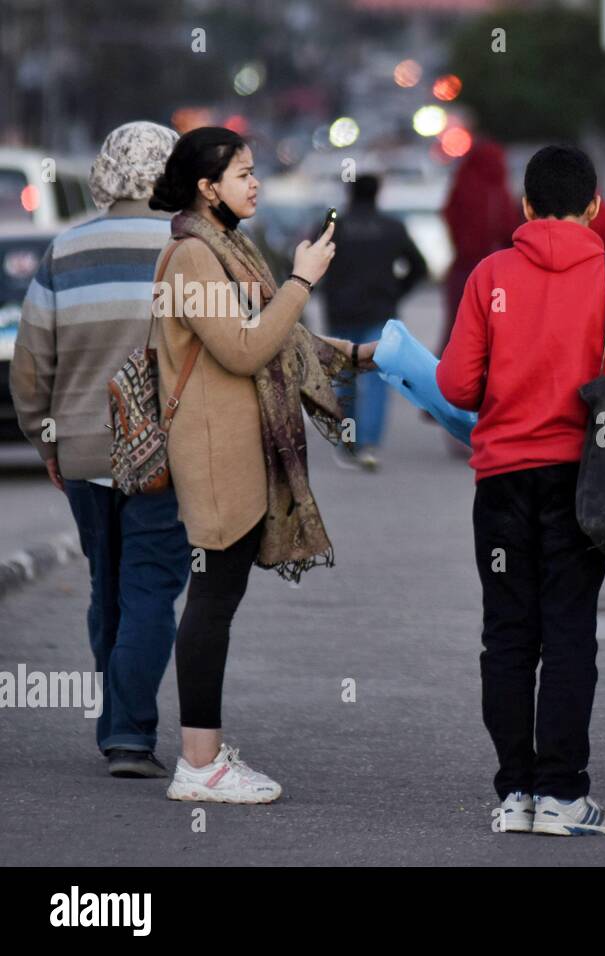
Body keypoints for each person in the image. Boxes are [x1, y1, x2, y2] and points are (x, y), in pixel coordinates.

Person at [437, 145, 605, 837]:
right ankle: (564, 795)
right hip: (581, 486)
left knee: (507, 634)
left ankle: (515, 796)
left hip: (502, 482)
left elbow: (454, 386)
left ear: (526, 206)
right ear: (595, 205)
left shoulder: (489, 275)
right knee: (569, 632)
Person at [147, 127, 379, 804]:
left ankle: (205, 754)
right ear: (205, 186)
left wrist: (357, 356)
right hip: (216, 450)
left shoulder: (231, 246)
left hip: (240, 443)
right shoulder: (193, 255)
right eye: (242, 174)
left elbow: (279, 330)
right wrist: (305, 279)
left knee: (219, 598)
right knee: (212, 600)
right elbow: (246, 349)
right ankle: (199, 764)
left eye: (254, 171)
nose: (254, 183)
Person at [8, 121, 191, 779]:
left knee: (105, 585)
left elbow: (31, 366)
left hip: (84, 452)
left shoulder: (65, 251)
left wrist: (45, 439)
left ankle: (118, 725)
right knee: (150, 588)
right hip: (167, 453)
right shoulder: (194, 249)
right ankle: (128, 735)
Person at [320, 173, 428, 471]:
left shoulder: (335, 228)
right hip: (380, 312)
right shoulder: (392, 227)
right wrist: (397, 291)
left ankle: (348, 441)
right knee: (379, 381)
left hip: (341, 313)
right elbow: (420, 266)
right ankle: (369, 443)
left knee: (345, 381)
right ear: (378, 193)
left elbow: (313, 265)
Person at [440, 138, 518, 355]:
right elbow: (508, 229)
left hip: (463, 269)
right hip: (495, 272)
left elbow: (450, 217)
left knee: (459, 331)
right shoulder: (498, 190)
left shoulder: (462, 184)